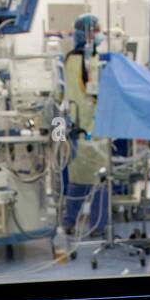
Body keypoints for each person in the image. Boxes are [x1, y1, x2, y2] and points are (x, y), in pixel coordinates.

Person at [63, 14, 110, 237]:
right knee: (100, 179)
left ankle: (69, 222)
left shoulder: (69, 58)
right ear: (88, 33)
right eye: (96, 30)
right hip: (91, 129)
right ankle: (98, 227)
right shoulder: (91, 61)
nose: (99, 34)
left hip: (77, 127)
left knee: (78, 179)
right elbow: (94, 92)